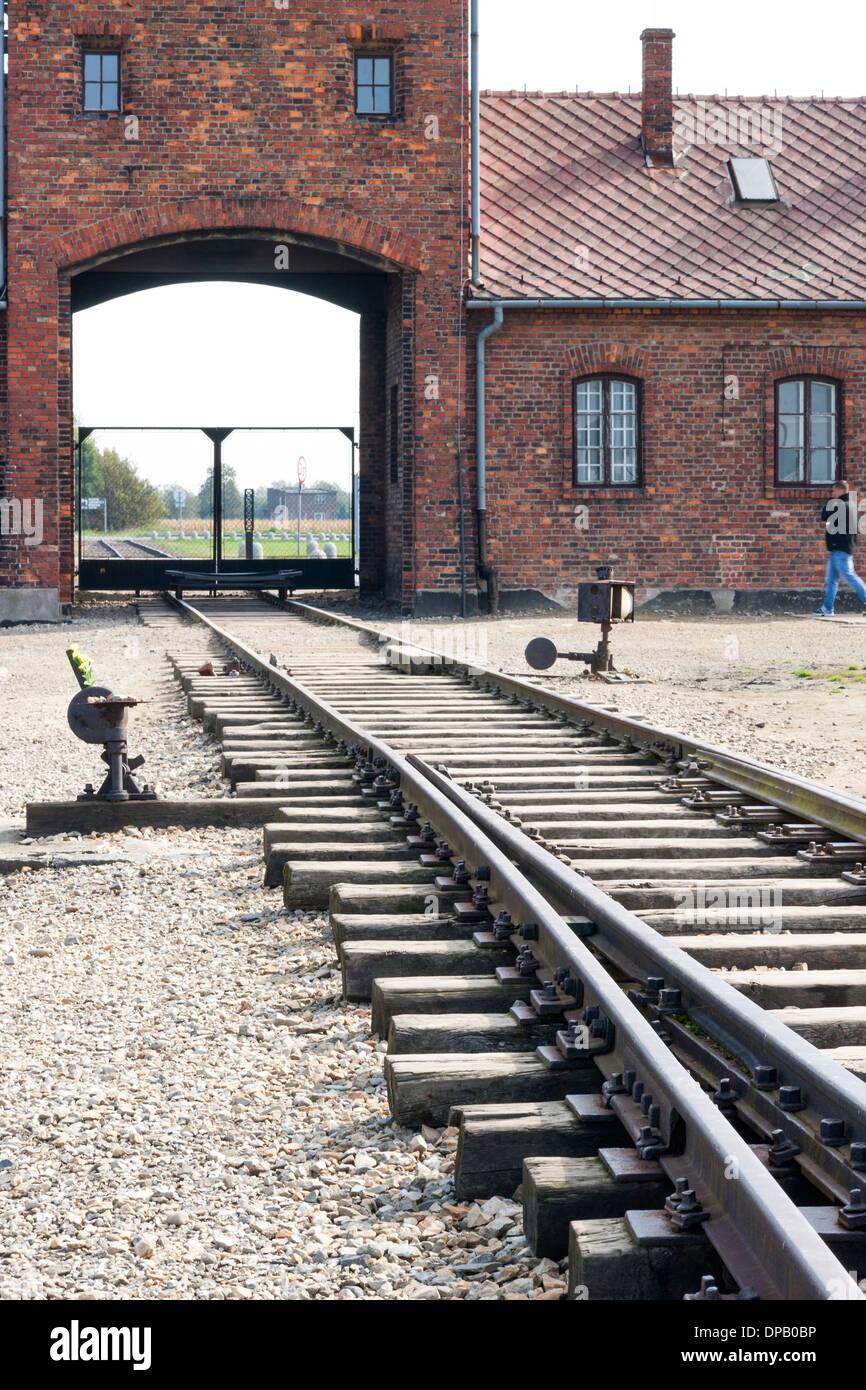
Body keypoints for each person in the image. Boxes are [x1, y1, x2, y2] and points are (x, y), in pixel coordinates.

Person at [813, 479, 866, 616]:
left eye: (834, 490)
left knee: (850, 576)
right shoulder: (850, 504)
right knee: (832, 580)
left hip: (841, 548)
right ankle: (827, 608)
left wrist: (830, 500)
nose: (832, 493)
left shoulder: (839, 504)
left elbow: (824, 515)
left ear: (841, 491)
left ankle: (828, 608)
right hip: (840, 548)